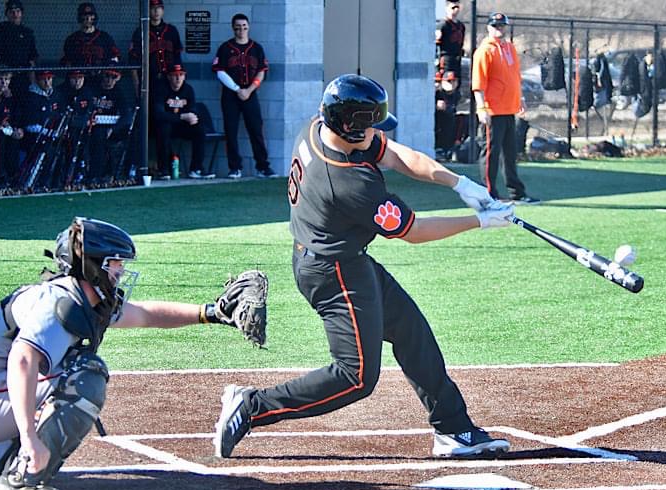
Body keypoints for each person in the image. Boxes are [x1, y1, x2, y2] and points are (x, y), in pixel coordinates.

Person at [213, 74, 513, 460]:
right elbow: (414, 231)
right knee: (355, 378)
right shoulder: (349, 183)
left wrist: (461, 185)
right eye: (368, 123)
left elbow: (398, 155)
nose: (375, 131)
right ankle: (251, 406)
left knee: (410, 330)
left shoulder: (318, 128)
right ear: (350, 126)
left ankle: (454, 429)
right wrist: (479, 221)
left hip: (342, 258)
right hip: (331, 272)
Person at [0, 216, 249, 490]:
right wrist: (29, 437)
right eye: (115, 264)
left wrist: (210, 313)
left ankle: (0, 464)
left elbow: (146, 315)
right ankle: (20, 480)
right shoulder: (59, 302)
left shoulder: (82, 300)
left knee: (71, 372)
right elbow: (22, 360)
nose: (121, 271)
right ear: (93, 266)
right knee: (83, 375)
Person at [472, 12, 539, 204]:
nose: (498, 29)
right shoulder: (484, 51)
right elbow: (479, 83)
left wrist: (521, 98)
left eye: (501, 26)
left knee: (510, 153)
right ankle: (488, 194)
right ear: (488, 27)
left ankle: (516, 192)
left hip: (509, 109)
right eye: (495, 26)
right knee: (491, 154)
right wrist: (481, 108)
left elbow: (515, 76)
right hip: (492, 111)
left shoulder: (509, 48)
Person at [211, 13, 275, 179]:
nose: (241, 30)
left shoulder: (256, 48)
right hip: (231, 95)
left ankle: (263, 167)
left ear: (249, 27)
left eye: (244, 27)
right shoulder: (225, 48)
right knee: (230, 131)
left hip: (251, 94)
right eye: (238, 27)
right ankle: (234, 168)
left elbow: (262, 71)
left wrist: (249, 89)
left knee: (256, 130)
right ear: (233, 28)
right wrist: (237, 89)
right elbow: (219, 71)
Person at [153, 64, 215, 179]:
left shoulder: (188, 89)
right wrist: (181, 116)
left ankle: (196, 168)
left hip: (181, 126)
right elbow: (159, 114)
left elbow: (192, 109)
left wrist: (192, 116)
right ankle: (164, 170)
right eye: (175, 75)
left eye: (181, 75)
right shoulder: (161, 89)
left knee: (199, 130)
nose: (178, 79)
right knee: (163, 128)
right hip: (166, 126)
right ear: (168, 77)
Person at [86, 69, 133, 184]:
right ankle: (94, 175)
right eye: (107, 76)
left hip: (109, 126)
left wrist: (113, 129)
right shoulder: (92, 88)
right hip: (92, 124)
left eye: (113, 77)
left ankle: (115, 173)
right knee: (97, 138)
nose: (109, 80)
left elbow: (127, 116)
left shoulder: (119, 93)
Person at [129, 0, 183, 98]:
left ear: (163, 10)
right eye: (153, 8)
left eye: (159, 8)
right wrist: (137, 86)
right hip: (149, 81)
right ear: (148, 10)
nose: (156, 11)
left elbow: (178, 56)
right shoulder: (140, 32)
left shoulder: (171, 30)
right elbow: (133, 61)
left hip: (169, 80)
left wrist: (177, 79)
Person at [61, 2, 121, 90]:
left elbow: (115, 57)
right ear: (80, 17)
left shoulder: (104, 37)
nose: (88, 18)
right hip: (79, 80)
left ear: (94, 17)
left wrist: (108, 73)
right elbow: (66, 61)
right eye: (84, 15)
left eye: (91, 15)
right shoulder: (72, 39)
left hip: (100, 79)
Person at [0, 0, 38, 100]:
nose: (15, 14)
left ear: (22, 13)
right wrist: (4, 85)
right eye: (12, 12)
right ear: (7, 14)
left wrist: (33, 83)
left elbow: (32, 58)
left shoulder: (28, 33)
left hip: (23, 77)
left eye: (18, 11)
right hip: (6, 79)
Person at [0, 70, 24, 188]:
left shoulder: (6, 98)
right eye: (0, 79)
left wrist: (12, 129)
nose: (4, 83)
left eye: (7, 79)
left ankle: (1, 176)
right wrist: (0, 127)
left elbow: (5, 119)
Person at [435, 0, 465, 85]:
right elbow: (436, 45)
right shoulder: (443, 25)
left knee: (457, 83)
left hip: (457, 58)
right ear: (446, 8)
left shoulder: (461, 26)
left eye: (457, 7)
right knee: (447, 83)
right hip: (446, 59)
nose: (455, 10)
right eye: (453, 8)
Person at [434, 70, 459, 162]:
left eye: (454, 81)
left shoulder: (458, 94)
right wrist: (435, 106)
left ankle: (449, 150)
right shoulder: (437, 94)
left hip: (452, 129)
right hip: (439, 127)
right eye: (449, 81)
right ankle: (439, 150)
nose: (452, 83)